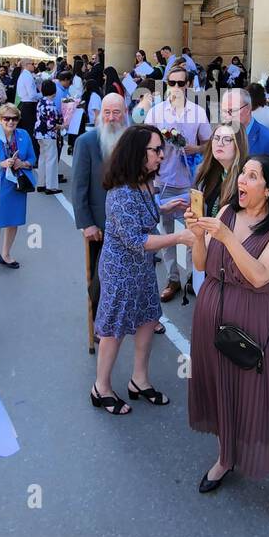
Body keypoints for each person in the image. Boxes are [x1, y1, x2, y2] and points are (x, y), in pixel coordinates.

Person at [185, 154, 269, 537]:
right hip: (210, 315)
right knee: (220, 390)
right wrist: (198, 236)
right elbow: (201, 266)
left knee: (261, 402)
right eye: (243, 175)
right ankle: (225, 457)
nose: (243, 182)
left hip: (251, 321)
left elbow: (260, 275)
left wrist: (226, 236)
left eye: (253, 176)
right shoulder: (226, 212)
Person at [92, 125, 194, 414]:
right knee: (114, 329)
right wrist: (178, 237)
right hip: (121, 270)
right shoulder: (121, 192)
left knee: (148, 320)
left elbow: (144, 213)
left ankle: (140, 380)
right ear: (138, 153)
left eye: (161, 149)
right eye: (156, 150)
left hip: (141, 268)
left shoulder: (145, 182)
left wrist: (163, 205)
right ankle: (101, 387)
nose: (162, 155)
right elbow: (137, 239)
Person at [145, 64, 212, 302]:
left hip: (189, 183)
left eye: (180, 83)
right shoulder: (156, 112)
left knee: (194, 230)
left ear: (188, 85)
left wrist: (194, 148)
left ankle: (195, 277)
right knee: (166, 234)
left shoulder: (197, 112)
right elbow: (145, 145)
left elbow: (209, 143)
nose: (175, 87)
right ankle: (172, 278)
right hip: (162, 180)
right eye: (171, 83)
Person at [74, 93, 129, 336]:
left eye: (116, 112)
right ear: (99, 114)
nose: (111, 117)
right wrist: (86, 223)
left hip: (128, 225)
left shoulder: (131, 140)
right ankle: (99, 322)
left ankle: (128, 316)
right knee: (100, 278)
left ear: (125, 112)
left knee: (129, 276)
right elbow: (78, 187)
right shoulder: (86, 142)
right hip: (99, 225)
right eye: (106, 112)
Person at [0, 104, 36, 278]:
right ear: (0, 119)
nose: (11, 121)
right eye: (7, 118)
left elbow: (32, 158)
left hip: (17, 183)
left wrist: (22, 163)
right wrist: (1, 163)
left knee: (13, 221)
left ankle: (5, 254)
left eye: (14, 118)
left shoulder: (23, 135)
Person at [195, 121, 249, 218]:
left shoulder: (245, 178)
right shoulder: (211, 172)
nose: (220, 143)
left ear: (238, 145)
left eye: (227, 139)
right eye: (216, 138)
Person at [220, 87, 269, 160]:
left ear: (247, 109)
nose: (227, 117)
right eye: (224, 111)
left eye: (232, 110)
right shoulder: (219, 137)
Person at [36, 78, 63, 194]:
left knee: (42, 158)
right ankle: (51, 186)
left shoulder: (41, 101)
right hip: (49, 135)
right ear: (54, 91)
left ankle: (41, 183)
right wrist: (63, 126)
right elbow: (51, 124)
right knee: (51, 159)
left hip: (39, 134)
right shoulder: (50, 104)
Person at [15, 58, 39, 140]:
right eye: (32, 64)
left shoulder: (24, 75)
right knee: (29, 130)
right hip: (29, 106)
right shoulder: (27, 76)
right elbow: (32, 95)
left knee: (26, 129)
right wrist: (42, 94)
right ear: (26, 65)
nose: (34, 66)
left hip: (25, 105)